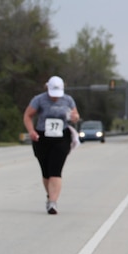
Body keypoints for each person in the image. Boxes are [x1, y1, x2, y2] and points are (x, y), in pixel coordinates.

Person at [23, 75, 79, 215]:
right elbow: (28, 116)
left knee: (55, 170)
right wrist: (31, 131)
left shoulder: (68, 100)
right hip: (42, 138)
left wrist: (74, 117)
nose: (55, 98)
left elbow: (76, 115)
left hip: (61, 138)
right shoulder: (39, 99)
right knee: (46, 172)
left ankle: (53, 203)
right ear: (47, 88)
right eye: (52, 94)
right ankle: (50, 197)